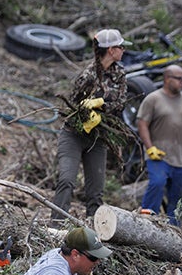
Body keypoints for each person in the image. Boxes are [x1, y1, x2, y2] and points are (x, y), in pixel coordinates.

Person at [51, 29, 130, 226]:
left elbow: (120, 102)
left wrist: (100, 103)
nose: (124, 50)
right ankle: (55, 225)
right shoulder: (88, 74)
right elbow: (74, 102)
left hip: (98, 138)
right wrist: (85, 112)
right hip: (74, 135)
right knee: (67, 181)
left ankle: (94, 231)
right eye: (121, 47)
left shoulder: (119, 74)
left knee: (96, 190)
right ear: (111, 50)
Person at [136, 64, 182, 225]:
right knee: (157, 183)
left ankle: (174, 230)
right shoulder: (153, 99)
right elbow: (142, 123)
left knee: (180, 195)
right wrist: (149, 147)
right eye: (179, 79)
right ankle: (146, 221)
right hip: (159, 155)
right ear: (167, 79)